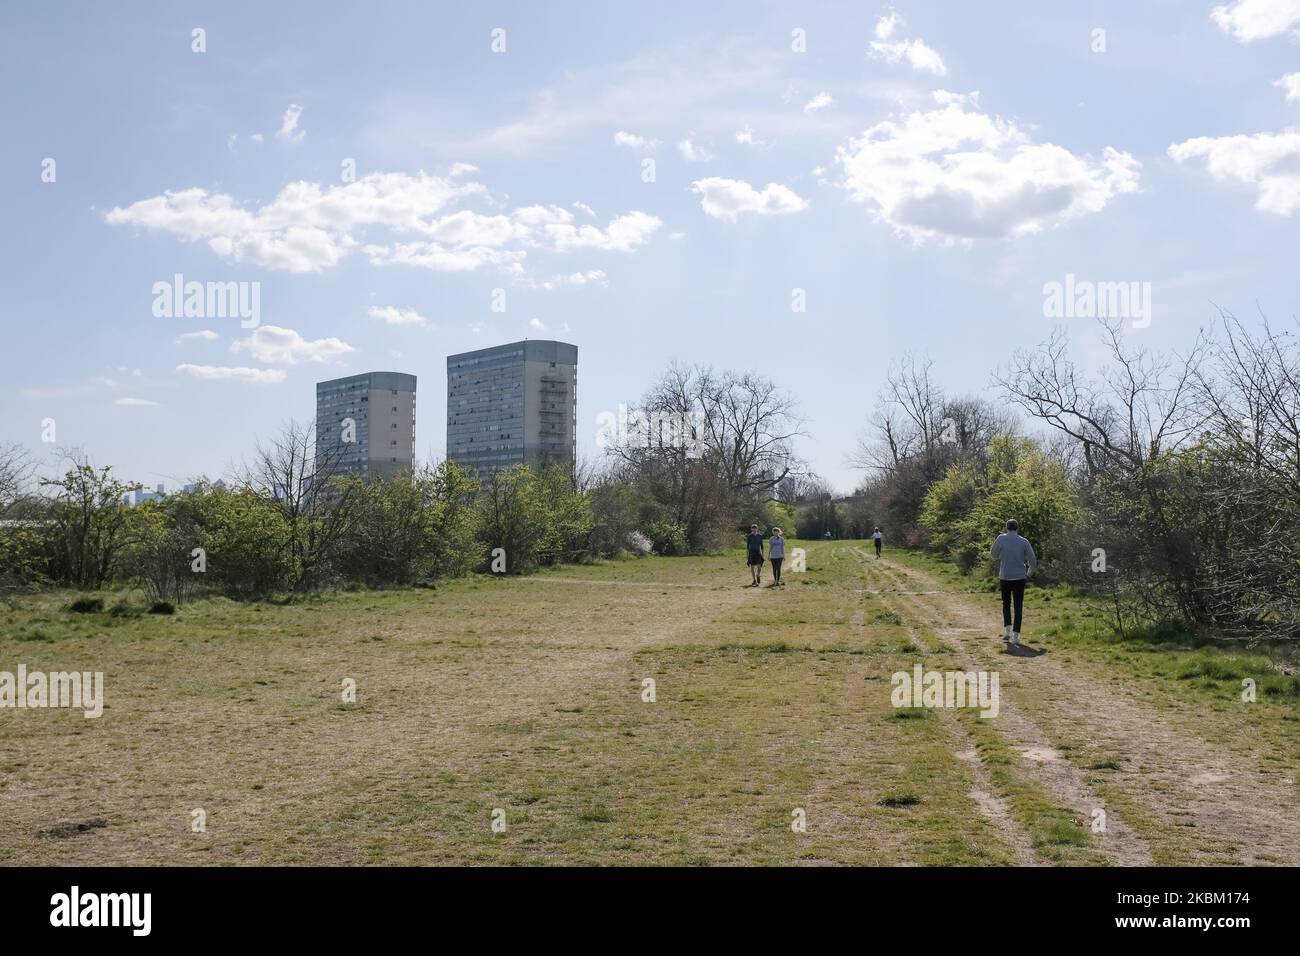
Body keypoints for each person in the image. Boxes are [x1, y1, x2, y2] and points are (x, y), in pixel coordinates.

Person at [991, 518, 1037, 645]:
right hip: (1019, 577)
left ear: (1007, 527)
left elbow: (993, 554)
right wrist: (1028, 573)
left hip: (1005, 576)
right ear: (1017, 528)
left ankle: (1007, 630)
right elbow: (1033, 561)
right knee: (1018, 606)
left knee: (1006, 603)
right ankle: (1016, 635)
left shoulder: (1001, 538)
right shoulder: (1024, 542)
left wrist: (1002, 555)